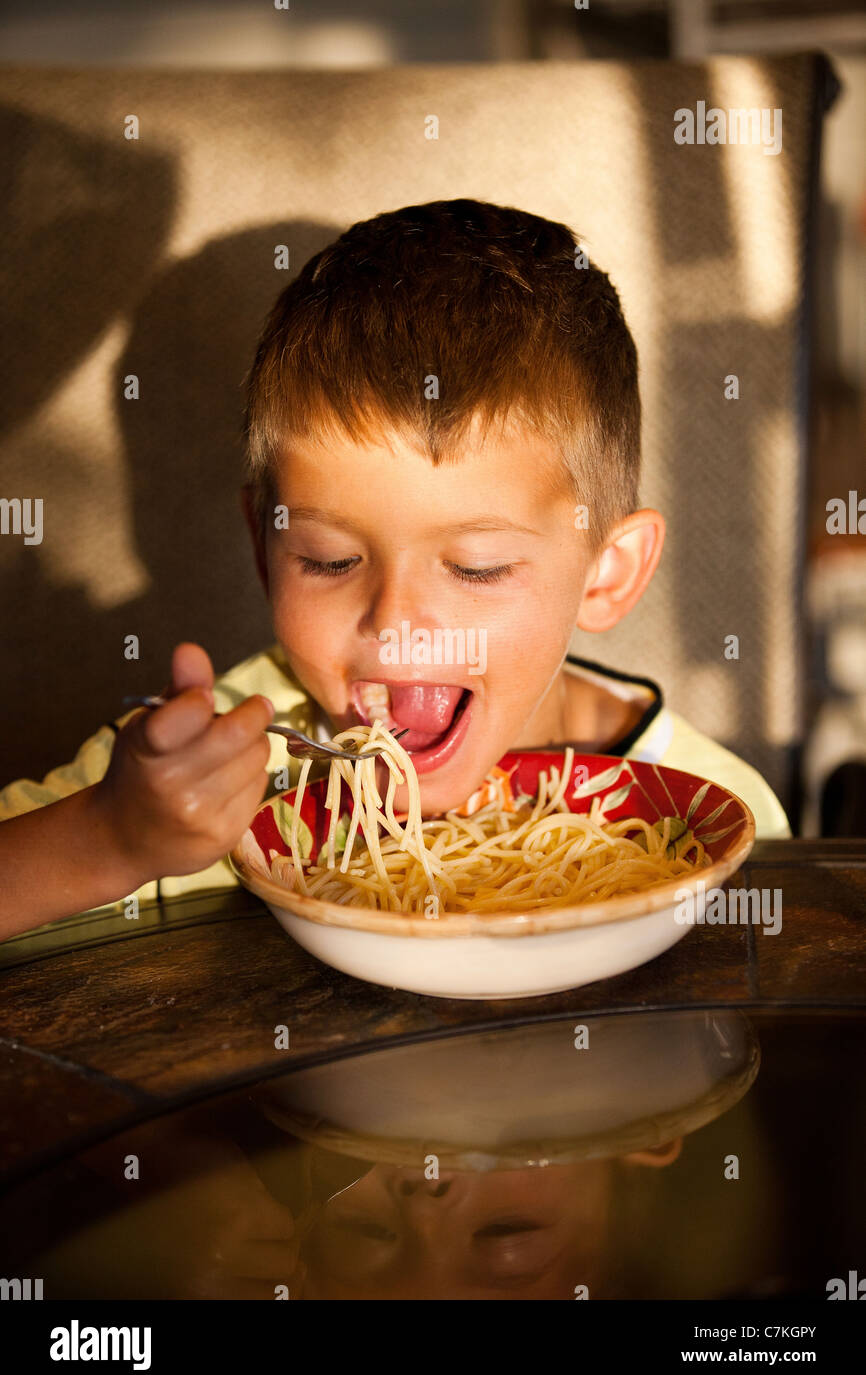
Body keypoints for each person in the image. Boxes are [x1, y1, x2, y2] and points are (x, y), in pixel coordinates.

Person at [0, 198, 790, 941]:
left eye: (477, 568)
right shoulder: (188, 781)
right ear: (262, 548)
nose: (397, 622)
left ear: (606, 573)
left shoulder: (713, 818)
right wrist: (107, 839)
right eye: (329, 559)